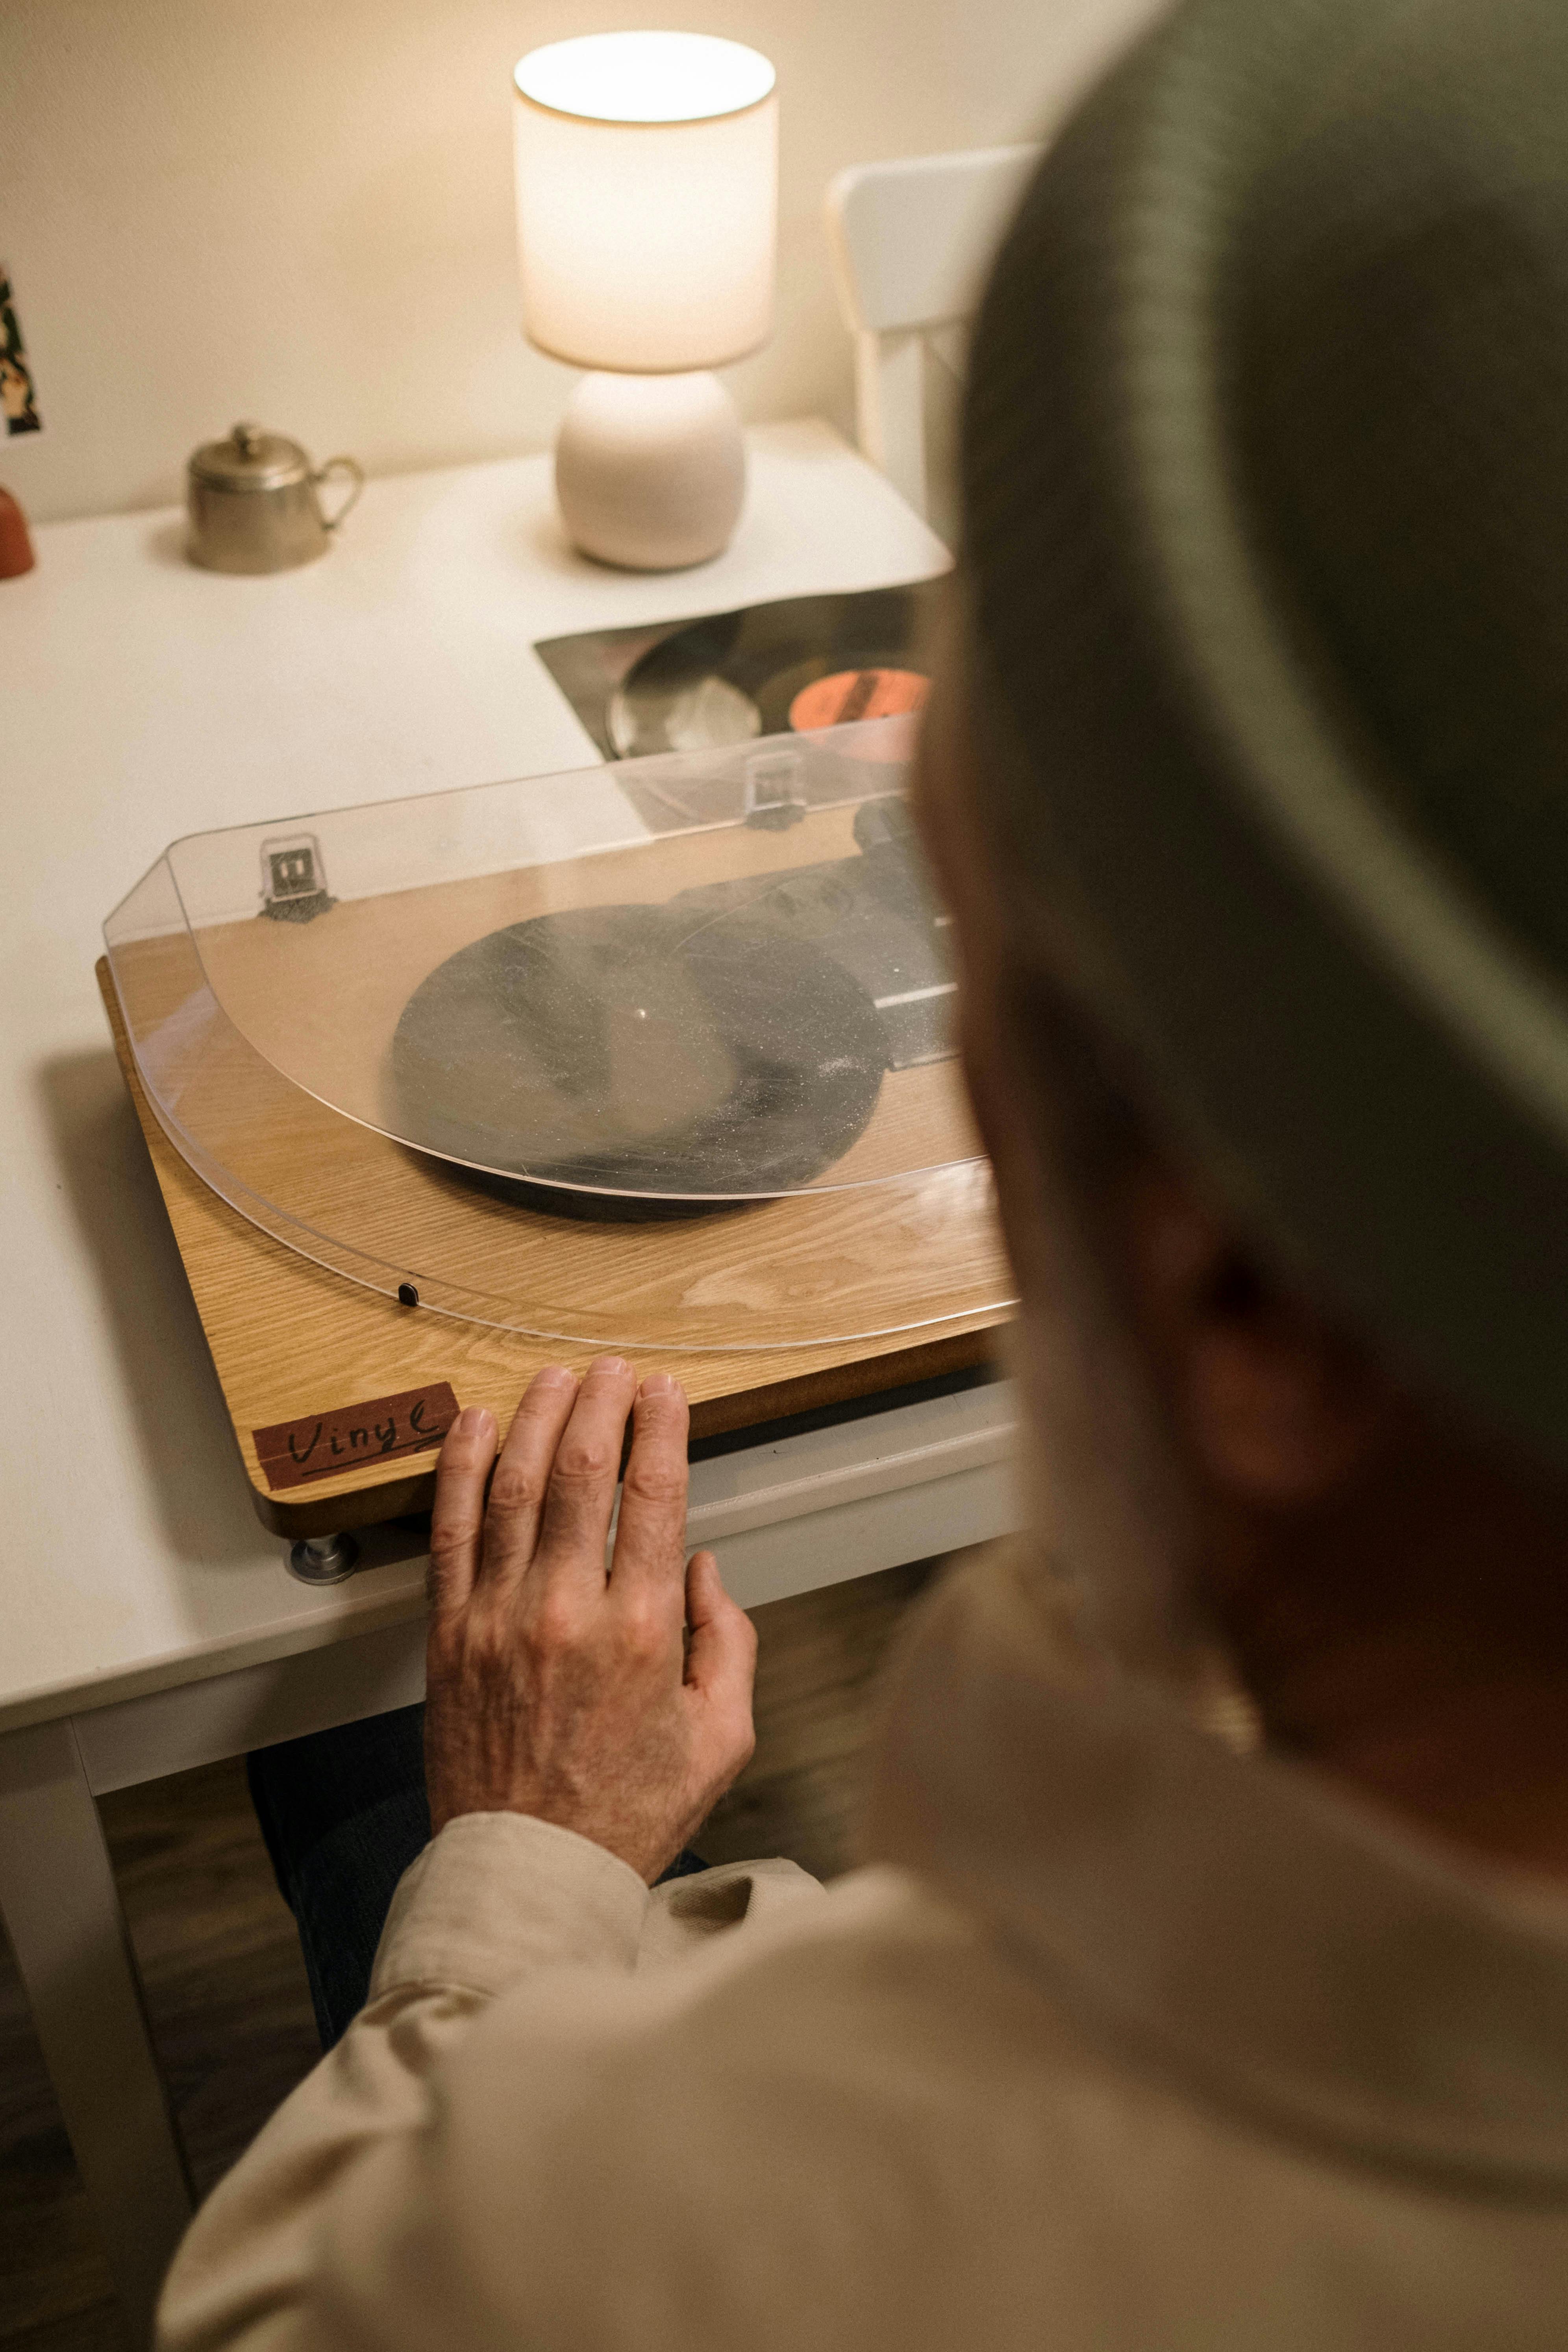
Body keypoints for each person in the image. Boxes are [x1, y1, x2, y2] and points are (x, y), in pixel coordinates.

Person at [159, 0, 1568, 2341]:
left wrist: (516, 1857)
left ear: (1243, 1311)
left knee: (354, 1785)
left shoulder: (615, 2236)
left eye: (973, 968)